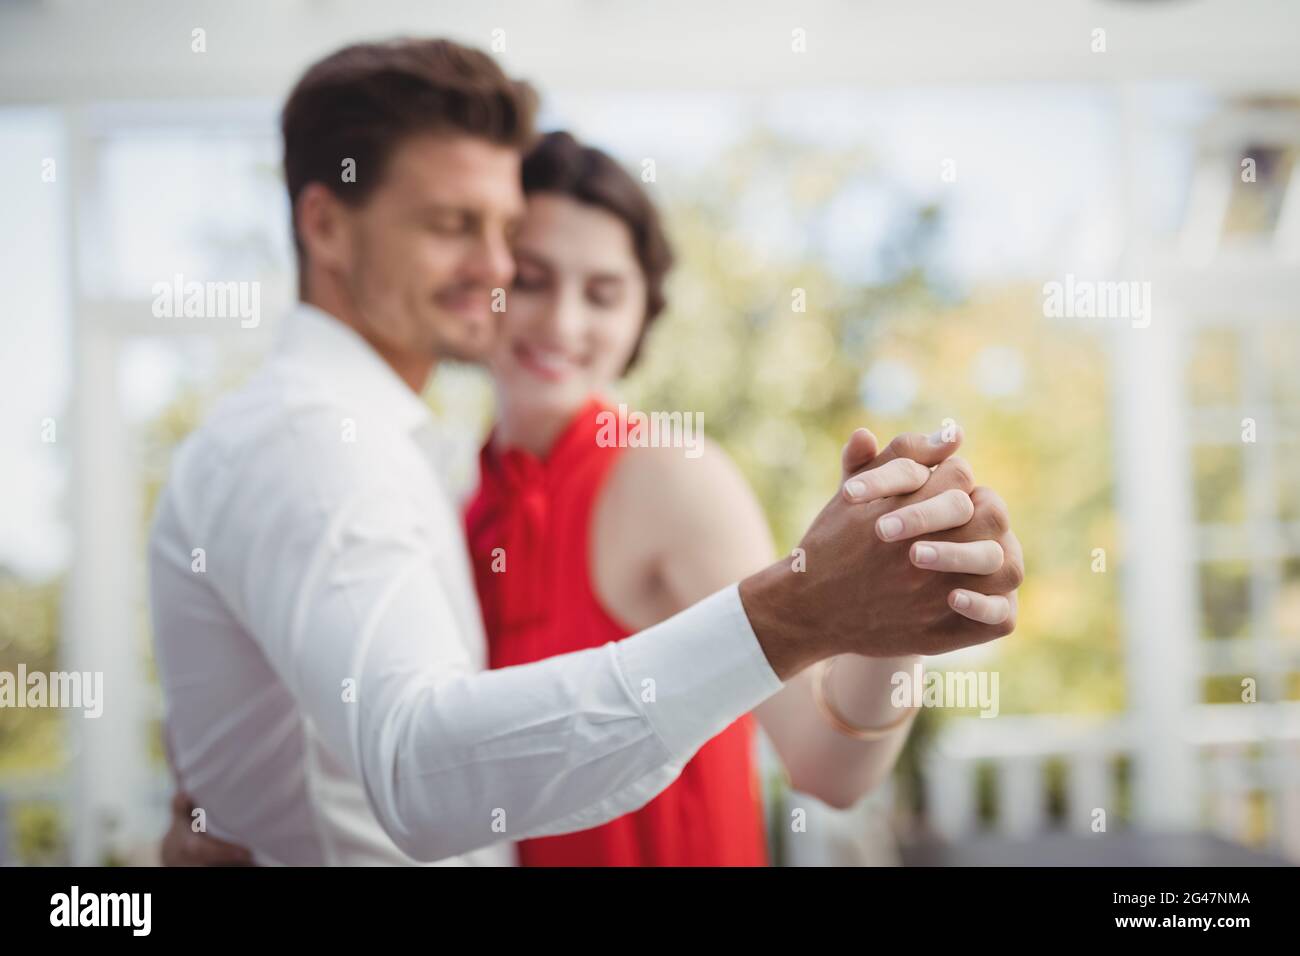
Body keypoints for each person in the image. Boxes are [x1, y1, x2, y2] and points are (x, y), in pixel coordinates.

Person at [152, 37, 1023, 867]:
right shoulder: (439, 482)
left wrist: (892, 616)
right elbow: (405, 747)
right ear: (328, 225)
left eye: (604, 292)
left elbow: (831, 766)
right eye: (526, 273)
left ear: (642, 313)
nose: (558, 320)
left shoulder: (671, 476)